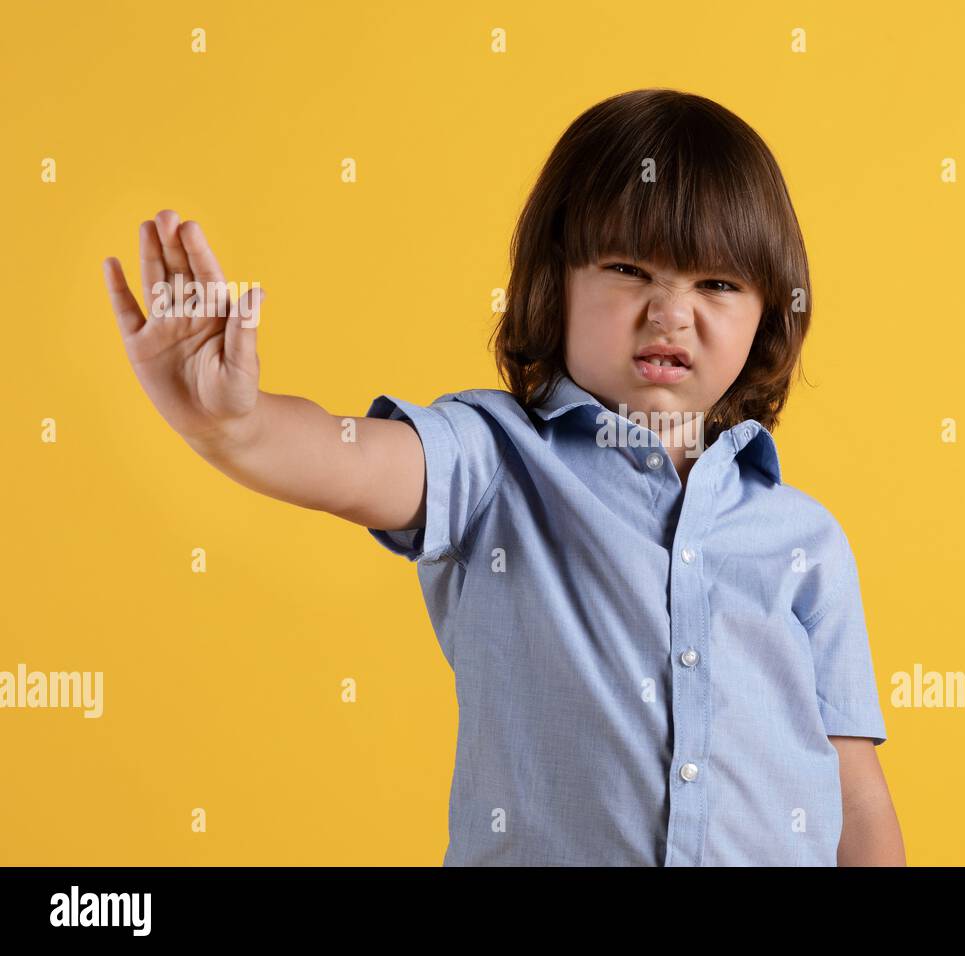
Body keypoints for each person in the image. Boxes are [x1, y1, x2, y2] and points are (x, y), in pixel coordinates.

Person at [101, 88, 905, 867]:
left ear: (769, 311)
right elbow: (349, 458)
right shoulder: (493, 458)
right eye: (628, 268)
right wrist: (236, 426)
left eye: (718, 284)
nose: (669, 312)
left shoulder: (805, 539)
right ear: (555, 286)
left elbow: (855, 796)